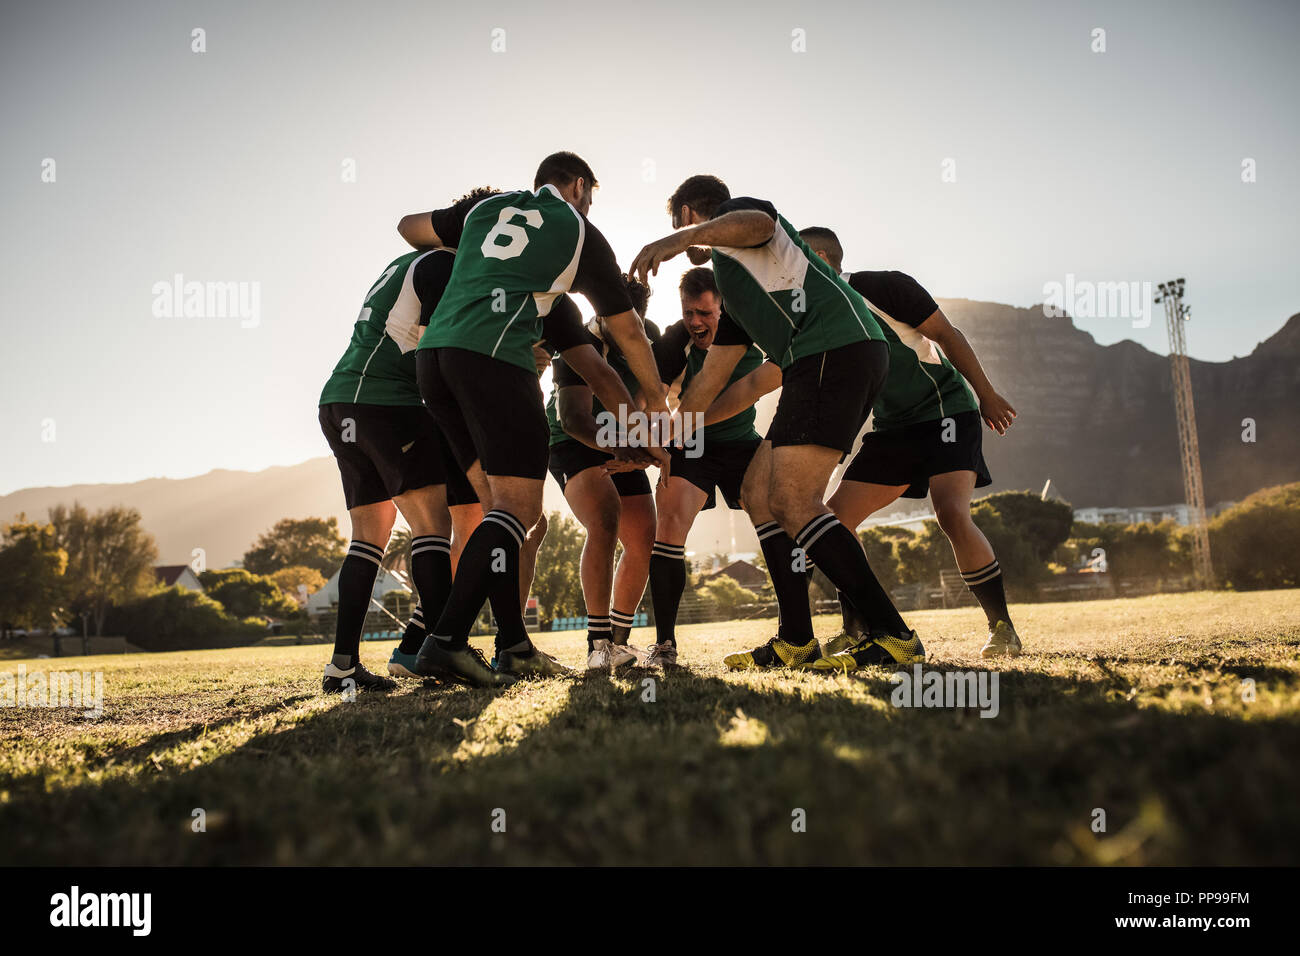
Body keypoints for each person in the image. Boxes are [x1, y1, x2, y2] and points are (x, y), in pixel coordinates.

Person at [630, 175, 923, 672]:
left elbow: (760, 221)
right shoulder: (736, 286)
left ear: (686, 213)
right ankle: (796, 639)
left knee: (793, 500)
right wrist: (671, 431)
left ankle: (893, 634)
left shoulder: (741, 219)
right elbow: (728, 385)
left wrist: (679, 239)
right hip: (822, 359)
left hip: (835, 349)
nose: (682, 239)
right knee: (759, 493)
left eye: (678, 222)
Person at [399, 152, 670, 687]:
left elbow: (409, 228)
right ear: (577, 186)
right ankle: (444, 640)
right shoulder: (578, 231)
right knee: (519, 511)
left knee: (504, 514)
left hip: (436, 361)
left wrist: (469, 245)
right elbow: (630, 333)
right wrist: (657, 406)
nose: (589, 205)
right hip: (493, 362)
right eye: (590, 194)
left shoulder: (492, 210)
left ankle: (512, 646)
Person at [798, 227, 1022, 659]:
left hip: (946, 413)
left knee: (951, 514)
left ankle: (1003, 629)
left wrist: (986, 395)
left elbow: (948, 334)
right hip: (893, 429)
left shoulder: (883, 287)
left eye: (799, 261)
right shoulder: (817, 318)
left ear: (822, 258)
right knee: (832, 523)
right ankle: (860, 629)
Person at [641, 267, 766, 670]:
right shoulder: (677, 339)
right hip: (691, 443)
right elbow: (651, 396)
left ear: (723, 308)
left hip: (740, 441)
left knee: (781, 519)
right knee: (669, 525)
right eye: (687, 311)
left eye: (705, 313)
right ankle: (664, 645)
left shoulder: (750, 324)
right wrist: (644, 439)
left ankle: (795, 633)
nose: (695, 321)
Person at [546, 277, 658, 671]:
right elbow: (575, 420)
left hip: (622, 439)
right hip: (573, 440)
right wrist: (624, 448)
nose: (632, 331)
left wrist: (645, 448)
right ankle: (598, 644)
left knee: (645, 538)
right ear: (602, 312)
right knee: (605, 520)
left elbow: (648, 401)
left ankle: (619, 642)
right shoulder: (577, 345)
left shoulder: (645, 338)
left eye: (637, 323)